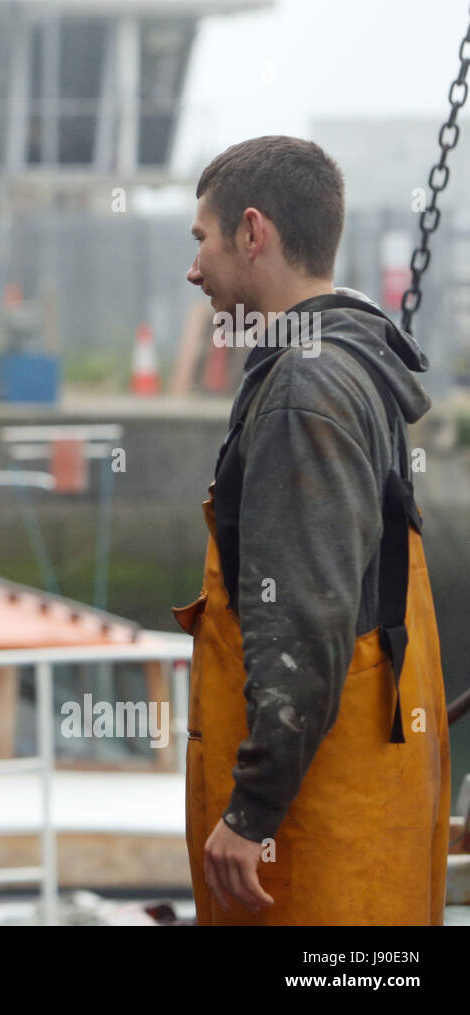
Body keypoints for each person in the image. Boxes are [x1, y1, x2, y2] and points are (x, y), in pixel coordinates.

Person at [176, 135, 450, 925]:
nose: (196, 272)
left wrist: (249, 815)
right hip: (367, 816)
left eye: (203, 241)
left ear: (252, 233)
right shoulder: (355, 365)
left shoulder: (305, 387)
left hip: (312, 848)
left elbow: (307, 619)